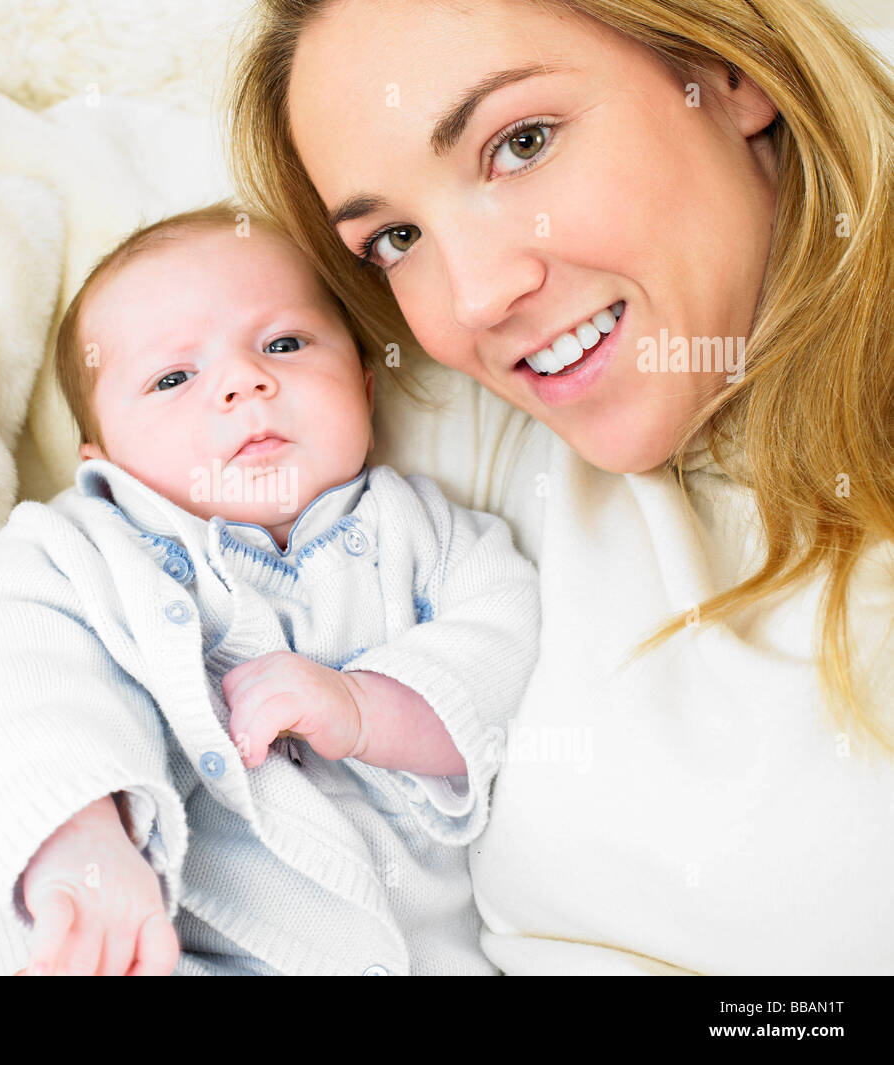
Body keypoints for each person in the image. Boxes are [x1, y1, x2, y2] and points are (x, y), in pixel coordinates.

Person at [227, 0, 894, 974]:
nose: (471, 301)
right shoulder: (460, 429)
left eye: (521, 143)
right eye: (396, 238)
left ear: (731, 68)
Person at [0, 202, 541, 975]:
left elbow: (504, 650)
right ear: (101, 455)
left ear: (365, 386)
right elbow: (18, 677)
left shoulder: (427, 535)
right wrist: (81, 831)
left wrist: (364, 705)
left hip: (414, 948)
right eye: (173, 377)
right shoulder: (76, 551)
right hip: (160, 927)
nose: (246, 381)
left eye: (284, 343)